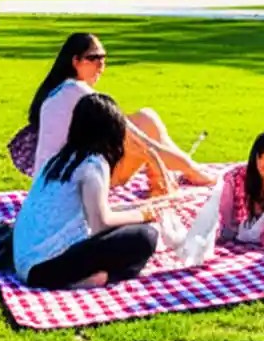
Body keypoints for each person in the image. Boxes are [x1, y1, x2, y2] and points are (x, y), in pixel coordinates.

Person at [27, 33, 216, 195]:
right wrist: (191, 169)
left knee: (145, 120)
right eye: (94, 58)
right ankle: (185, 175)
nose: (101, 65)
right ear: (75, 61)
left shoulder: (59, 91)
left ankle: (178, 174)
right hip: (71, 186)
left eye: (104, 58)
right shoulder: (79, 92)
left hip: (57, 182)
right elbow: (144, 143)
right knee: (144, 129)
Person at [13, 92, 161, 289]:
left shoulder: (59, 159)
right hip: (47, 269)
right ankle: (96, 279)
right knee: (145, 236)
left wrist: (132, 211)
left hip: (24, 264)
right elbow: (100, 223)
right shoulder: (93, 163)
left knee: (128, 228)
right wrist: (143, 214)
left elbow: (94, 214)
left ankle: (87, 276)